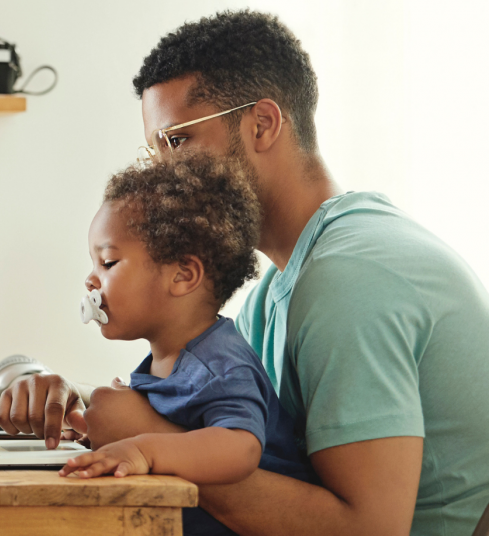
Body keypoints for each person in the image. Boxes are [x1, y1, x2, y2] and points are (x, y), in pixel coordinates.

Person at [0, 10, 489, 536]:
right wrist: (81, 404)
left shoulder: (352, 280)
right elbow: (229, 424)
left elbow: (368, 529)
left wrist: (147, 437)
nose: (163, 171)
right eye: (154, 149)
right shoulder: (277, 290)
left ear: (262, 124)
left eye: (177, 141)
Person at [59, 153, 314, 536]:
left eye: (108, 263)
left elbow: (241, 447)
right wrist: (93, 432)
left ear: (183, 275)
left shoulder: (219, 363)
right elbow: (178, 432)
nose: (90, 281)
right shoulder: (168, 359)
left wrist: (143, 448)